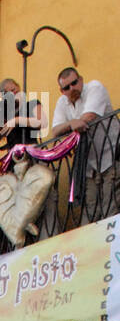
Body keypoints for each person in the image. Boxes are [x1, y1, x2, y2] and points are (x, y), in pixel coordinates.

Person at [50, 68, 120, 219]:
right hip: (89, 167)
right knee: (90, 215)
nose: (72, 88)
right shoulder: (62, 102)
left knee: (111, 212)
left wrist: (73, 124)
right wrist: (72, 123)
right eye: (66, 87)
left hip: (112, 158)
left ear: (81, 80)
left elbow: (88, 117)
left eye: (74, 83)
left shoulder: (95, 87)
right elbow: (55, 131)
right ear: (62, 91)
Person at [0, 78, 44, 151]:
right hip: (14, 157)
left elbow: (40, 122)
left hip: (32, 153)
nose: (13, 94)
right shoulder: (7, 113)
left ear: (18, 87)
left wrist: (17, 120)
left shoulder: (32, 104)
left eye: (14, 90)